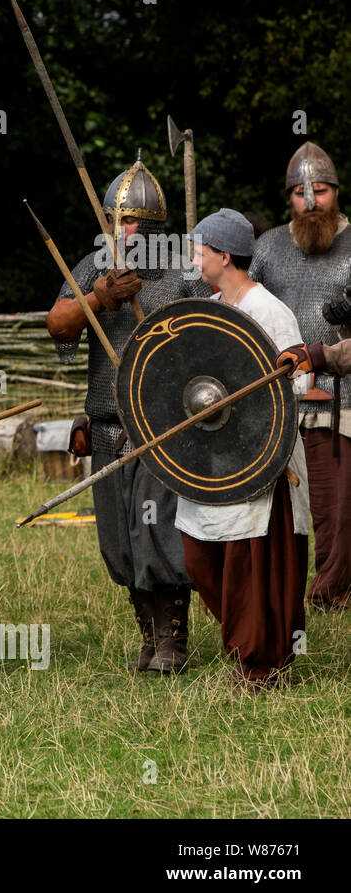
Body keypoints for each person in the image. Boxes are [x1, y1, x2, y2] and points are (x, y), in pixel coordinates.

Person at [44, 155, 208, 673]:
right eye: (115, 221)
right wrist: (97, 296)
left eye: (133, 221)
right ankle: (148, 635)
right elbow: (58, 324)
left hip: (164, 427)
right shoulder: (97, 266)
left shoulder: (183, 268)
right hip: (110, 426)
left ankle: (172, 640)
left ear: (155, 226)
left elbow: (214, 338)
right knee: (119, 540)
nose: (123, 229)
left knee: (159, 535)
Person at [175, 210, 309, 688]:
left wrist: (259, 434)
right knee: (199, 555)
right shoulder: (210, 307)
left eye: (200, 249)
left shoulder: (271, 312)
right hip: (212, 457)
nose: (195, 257)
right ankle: (246, 645)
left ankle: (261, 662)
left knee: (250, 563)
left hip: (259, 461)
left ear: (224, 255)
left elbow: (299, 381)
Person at [251, 142, 351, 611]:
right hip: (281, 396)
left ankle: (331, 594)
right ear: (288, 197)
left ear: (337, 190)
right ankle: (284, 587)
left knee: (338, 508)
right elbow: (242, 306)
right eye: (300, 193)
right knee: (283, 507)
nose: (311, 202)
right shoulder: (267, 247)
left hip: (342, 397)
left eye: (322, 191)